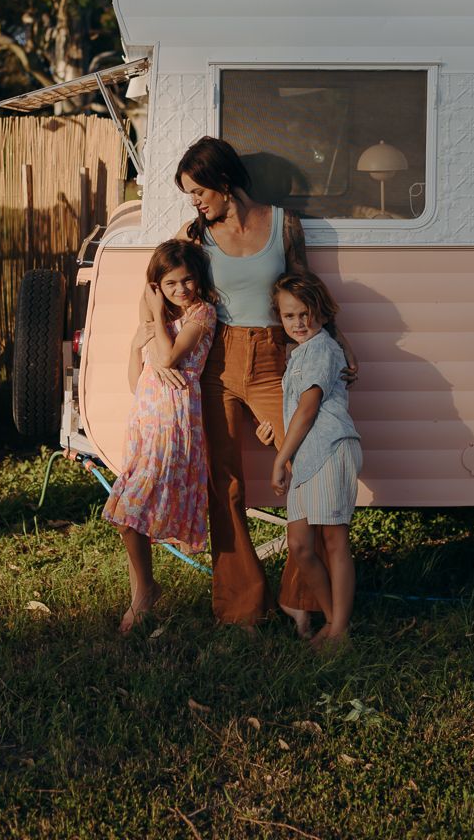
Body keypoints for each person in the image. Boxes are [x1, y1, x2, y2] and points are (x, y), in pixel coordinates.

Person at [172, 136, 358, 630]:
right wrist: (150, 332)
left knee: (304, 468)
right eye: (190, 194)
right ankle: (241, 607)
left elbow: (304, 289)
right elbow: (166, 283)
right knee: (226, 485)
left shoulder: (283, 224)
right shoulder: (196, 235)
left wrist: (338, 340)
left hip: (277, 357)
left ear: (223, 181)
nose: (195, 202)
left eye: (198, 191)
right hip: (218, 359)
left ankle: (300, 597)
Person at [103, 240, 217, 633]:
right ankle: (142, 593)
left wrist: (153, 314)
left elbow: (168, 358)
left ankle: (145, 593)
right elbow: (138, 381)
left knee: (130, 511)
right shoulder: (160, 316)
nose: (181, 289)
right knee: (128, 513)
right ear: (158, 285)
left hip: (175, 419)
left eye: (187, 280)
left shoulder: (202, 313)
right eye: (170, 284)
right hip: (146, 420)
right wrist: (136, 346)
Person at [257, 272, 362, 646]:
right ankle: (333, 622)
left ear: (322, 312)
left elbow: (309, 406)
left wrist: (279, 459)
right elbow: (293, 410)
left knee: (334, 541)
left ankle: (339, 631)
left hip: (330, 449)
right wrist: (275, 436)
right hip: (306, 456)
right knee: (301, 546)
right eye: (290, 316)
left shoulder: (322, 348)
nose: (299, 322)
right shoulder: (299, 353)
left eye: (306, 313)